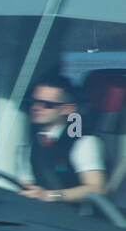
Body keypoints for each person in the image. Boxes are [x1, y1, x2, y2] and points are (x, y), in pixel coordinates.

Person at [18, 75, 106, 203]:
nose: (36, 108)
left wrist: (51, 196)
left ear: (68, 109)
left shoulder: (83, 142)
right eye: (33, 102)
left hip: (76, 218)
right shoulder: (31, 144)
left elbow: (97, 188)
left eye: (47, 104)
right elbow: (27, 184)